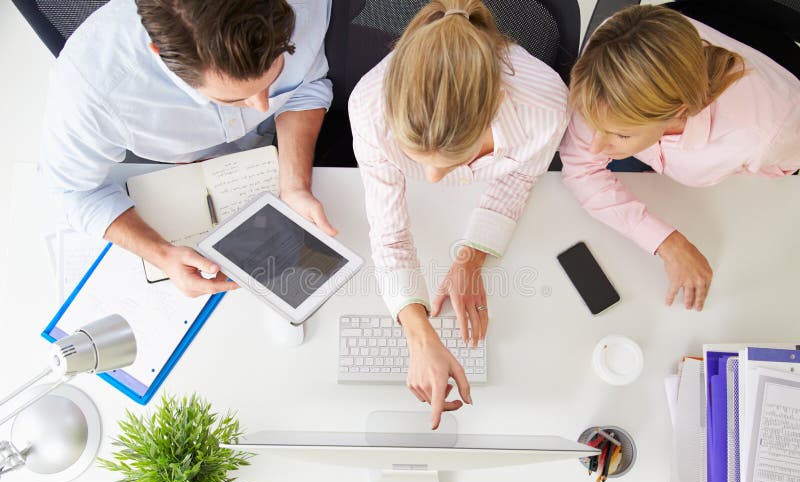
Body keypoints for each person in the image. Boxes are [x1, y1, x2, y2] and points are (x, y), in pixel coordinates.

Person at [349, 0, 568, 429]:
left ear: (496, 106)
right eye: (418, 160)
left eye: (451, 160)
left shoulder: (545, 110)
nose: (431, 180)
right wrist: (419, 334)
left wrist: (472, 257)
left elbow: (517, 179)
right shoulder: (370, 107)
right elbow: (389, 233)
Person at [40, 0, 336, 298]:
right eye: (235, 98)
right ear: (163, 55)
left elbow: (307, 86)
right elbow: (72, 192)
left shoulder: (306, 5)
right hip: (172, 187)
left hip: (282, 157)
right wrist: (162, 255)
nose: (263, 105)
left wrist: (295, 187)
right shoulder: (92, 90)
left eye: (274, 78)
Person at [559, 5, 800, 311]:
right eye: (594, 125)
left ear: (678, 113)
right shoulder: (608, 57)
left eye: (620, 134)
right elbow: (580, 169)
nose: (594, 148)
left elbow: (772, 189)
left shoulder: (769, 135)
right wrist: (667, 242)